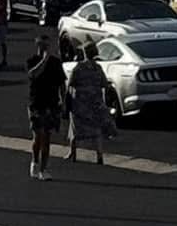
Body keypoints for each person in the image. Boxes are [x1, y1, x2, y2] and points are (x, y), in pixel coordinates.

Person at [65, 45, 113, 165]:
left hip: (80, 101)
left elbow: (71, 82)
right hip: (95, 101)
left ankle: (73, 153)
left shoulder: (79, 67)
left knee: (76, 127)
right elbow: (104, 84)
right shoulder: (98, 67)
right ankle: (99, 155)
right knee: (96, 129)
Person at [26, 41, 64, 179]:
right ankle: (35, 162)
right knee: (38, 136)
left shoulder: (56, 63)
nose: (45, 49)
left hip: (51, 104)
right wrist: (44, 60)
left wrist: (63, 100)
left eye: (47, 46)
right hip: (36, 104)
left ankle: (44, 169)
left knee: (47, 137)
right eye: (42, 46)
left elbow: (61, 83)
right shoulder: (32, 61)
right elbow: (33, 74)